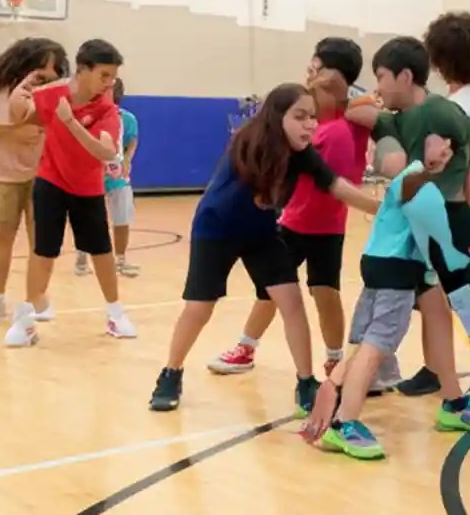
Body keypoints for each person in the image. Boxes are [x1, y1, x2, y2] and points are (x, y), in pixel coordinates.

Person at [148, 83, 380, 415]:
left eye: (312, 117)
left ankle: (305, 381)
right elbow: (263, 196)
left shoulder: (302, 153)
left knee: (291, 303)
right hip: (216, 229)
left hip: (260, 232)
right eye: (300, 117)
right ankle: (171, 373)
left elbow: (335, 185)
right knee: (199, 309)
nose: (310, 125)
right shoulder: (250, 141)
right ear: (276, 116)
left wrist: (381, 209)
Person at [301, 151, 470, 461]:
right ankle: (344, 424)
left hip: (377, 261)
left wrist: (331, 383)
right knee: (377, 345)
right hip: (398, 270)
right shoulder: (429, 197)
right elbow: (455, 272)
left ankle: (453, 403)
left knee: (419, 319)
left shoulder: (411, 176)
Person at [208, 37, 371, 378]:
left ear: (333, 76)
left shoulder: (344, 126)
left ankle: (334, 358)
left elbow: (337, 181)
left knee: (326, 292)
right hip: (295, 222)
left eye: (317, 66)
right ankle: (247, 346)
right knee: (272, 289)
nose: (309, 71)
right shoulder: (305, 121)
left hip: (327, 226)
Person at [349, 37, 470, 407]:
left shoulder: (438, 110)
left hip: (451, 217)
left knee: (468, 300)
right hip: (423, 224)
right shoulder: (399, 119)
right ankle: (444, 382)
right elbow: (357, 112)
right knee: (433, 305)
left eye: (381, 77)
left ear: (404, 76)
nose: (378, 86)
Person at [3, 39, 138, 346]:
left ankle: (115, 314)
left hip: (88, 187)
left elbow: (105, 152)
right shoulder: (52, 94)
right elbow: (20, 116)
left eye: (112, 76)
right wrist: (21, 87)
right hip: (51, 181)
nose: (109, 82)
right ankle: (25, 321)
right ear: (83, 70)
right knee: (43, 252)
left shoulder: (107, 108)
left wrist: (70, 122)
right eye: (104, 75)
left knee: (101, 252)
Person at [417, 11, 470, 403]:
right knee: (436, 295)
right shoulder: (462, 102)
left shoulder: (459, 109)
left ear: (437, 59)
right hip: (441, 214)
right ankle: (435, 366)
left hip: (452, 214)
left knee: (469, 294)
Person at [0, 37, 68, 330]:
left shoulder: (55, 93)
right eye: (44, 67)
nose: (50, 73)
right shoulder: (6, 89)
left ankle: (35, 299)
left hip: (43, 174)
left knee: (40, 242)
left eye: (55, 67)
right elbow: (0, 123)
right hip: (7, 174)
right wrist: (24, 91)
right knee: (4, 236)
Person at [75, 77, 141, 278]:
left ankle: (120, 259)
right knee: (88, 218)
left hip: (116, 172)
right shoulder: (87, 116)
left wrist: (128, 159)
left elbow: (132, 140)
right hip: (90, 172)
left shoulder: (126, 118)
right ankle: (81, 259)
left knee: (122, 217)